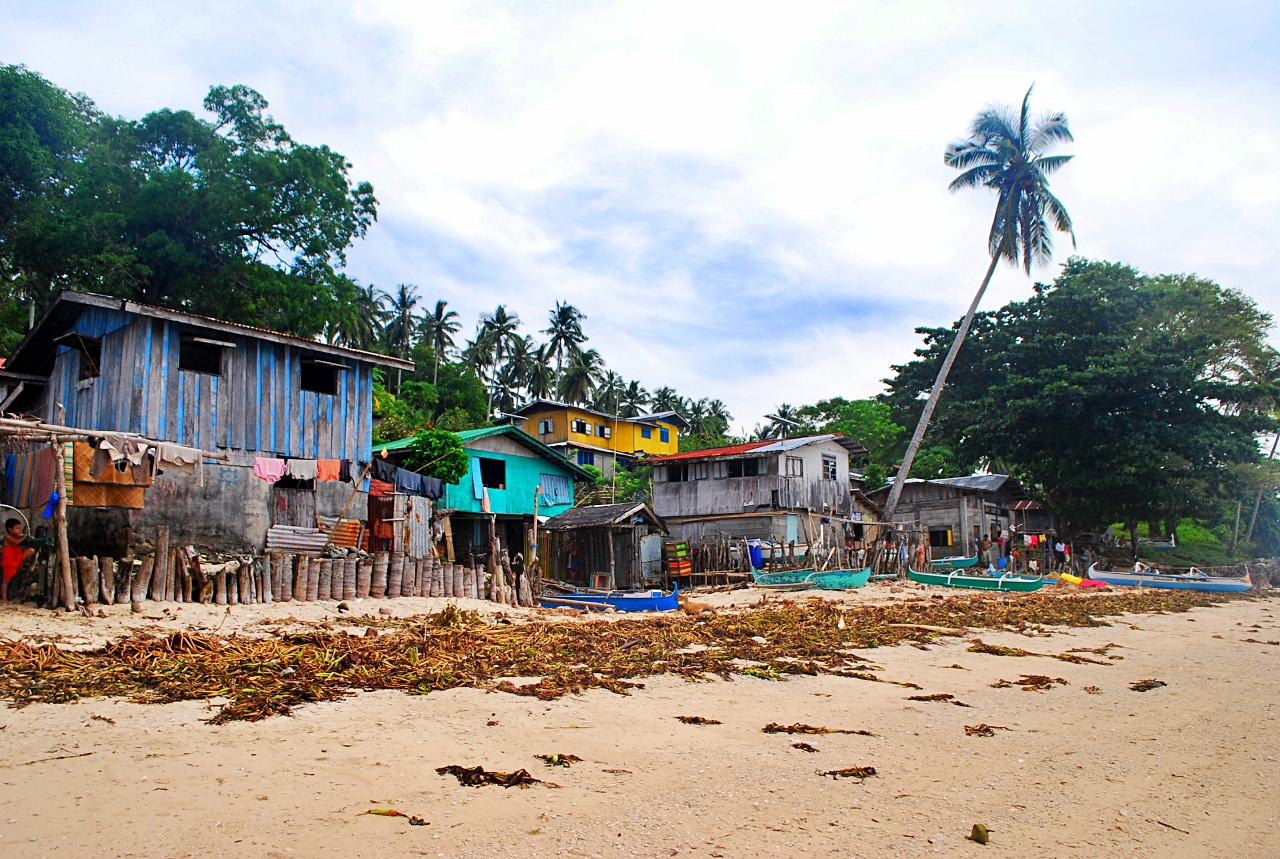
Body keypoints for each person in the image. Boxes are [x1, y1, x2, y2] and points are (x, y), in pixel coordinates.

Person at [2, 518, 35, 603]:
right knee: (6, 581)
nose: (19, 530)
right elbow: (16, 542)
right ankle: (4, 598)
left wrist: (28, 537)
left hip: (16, 558)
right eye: (17, 528)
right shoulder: (7, 536)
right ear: (10, 529)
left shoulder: (17, 536)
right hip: (9, 561)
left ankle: (21, 565)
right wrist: (24, 537)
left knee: (31, 550)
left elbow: (20, 538)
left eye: (20, 528)